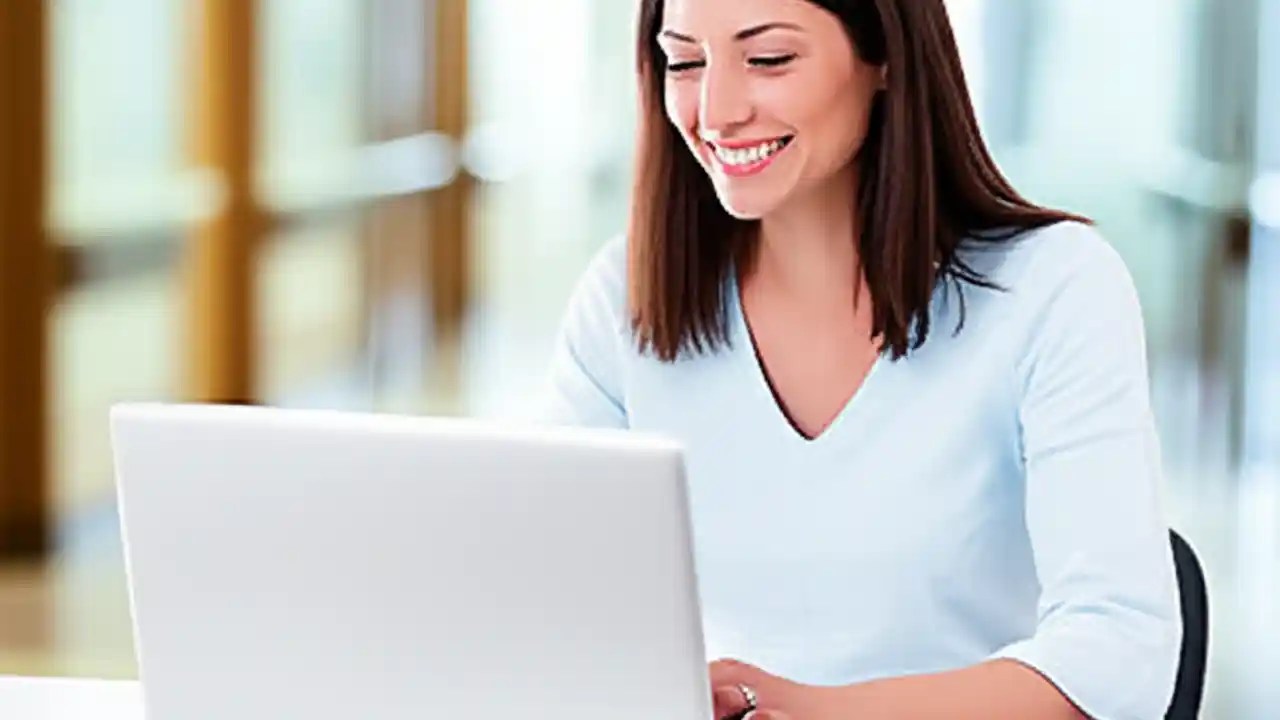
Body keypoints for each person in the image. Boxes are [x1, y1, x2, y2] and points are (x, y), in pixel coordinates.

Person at [541, 0, 1181, 717]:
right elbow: (558, 613)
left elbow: (1121, 654)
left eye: (769, 59)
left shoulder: (1052, 287)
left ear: (884, 56)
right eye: (685, 62)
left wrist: (810, 709)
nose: (715, 112)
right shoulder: (625, 298)